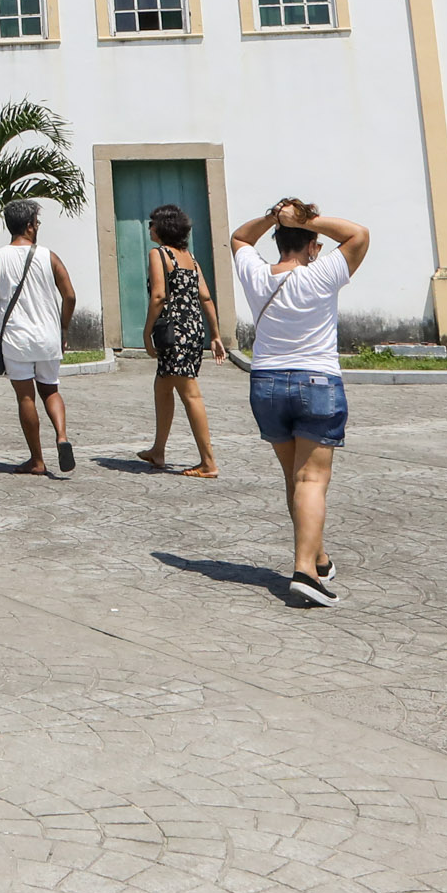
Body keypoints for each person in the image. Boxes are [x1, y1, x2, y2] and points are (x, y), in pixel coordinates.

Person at [229, 199, 370, 605]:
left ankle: (318, 557)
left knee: (296, 479)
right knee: (311, 481)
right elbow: (359, 234)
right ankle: (305, 573)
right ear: (312, 244)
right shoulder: (323, 273)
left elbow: (239, 237)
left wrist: (274, 219)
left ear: (278, 240)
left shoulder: (256, 274)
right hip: (316, 382)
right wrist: (309, 220)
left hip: (267, 383)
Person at [0, 199, 77, 475]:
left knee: (26, 398)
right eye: (37, 222)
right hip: (48, 336)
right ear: (30, 227)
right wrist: (63, 328)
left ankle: (37, 460)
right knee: (51, 389)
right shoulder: (50, 256)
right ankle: (61, 436)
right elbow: (69, 295)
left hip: (15, 339)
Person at [137, 205, 227, 475]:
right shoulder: (190, 258)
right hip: (192, 329)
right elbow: (206, 297)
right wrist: (215, 334)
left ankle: (208, 461)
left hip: (172, 331)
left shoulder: (159, 254)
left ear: (162, 228)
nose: (149, 228)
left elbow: (158, 297)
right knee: (163, 387)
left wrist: (146, 332)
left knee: (190, 394)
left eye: (152, 223)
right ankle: (158, 450)